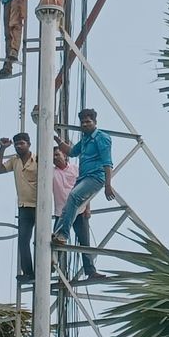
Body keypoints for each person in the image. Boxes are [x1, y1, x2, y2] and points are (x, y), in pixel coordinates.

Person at [52, 108, 114, 247]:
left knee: (73, 196)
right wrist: (59, 141)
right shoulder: (85, 139)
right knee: (68, 206)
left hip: (96, 177)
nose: (85, 125)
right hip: (84, 178)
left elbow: (107, 162)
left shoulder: (101, 138)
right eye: (83, 122)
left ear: (95, 122)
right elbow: (72, 152)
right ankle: (57, 233)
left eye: (88, 122)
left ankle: (63, 234)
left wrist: (108, 185)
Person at [53, 146, 106, 280]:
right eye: (52, 156)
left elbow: (86, 188)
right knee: (56, 241)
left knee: (84, 242)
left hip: (79, 210)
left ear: (65, 156)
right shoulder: (50, 173)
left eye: (57, 155)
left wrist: (87, 208)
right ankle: (49, 267)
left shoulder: (76, 169)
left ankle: (90, 271)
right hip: (62, 213)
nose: (55, 158)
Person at [0, 132, 36, 282]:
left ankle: (48, 265)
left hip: (39, 205)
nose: (19, 146)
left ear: (29, 144)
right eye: (17, 144)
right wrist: (2, 149)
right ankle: (29, 273)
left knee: (42, 240)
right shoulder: (15, 161)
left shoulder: (38, 159)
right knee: (23, 240)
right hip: (24, 206)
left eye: (22, 143)